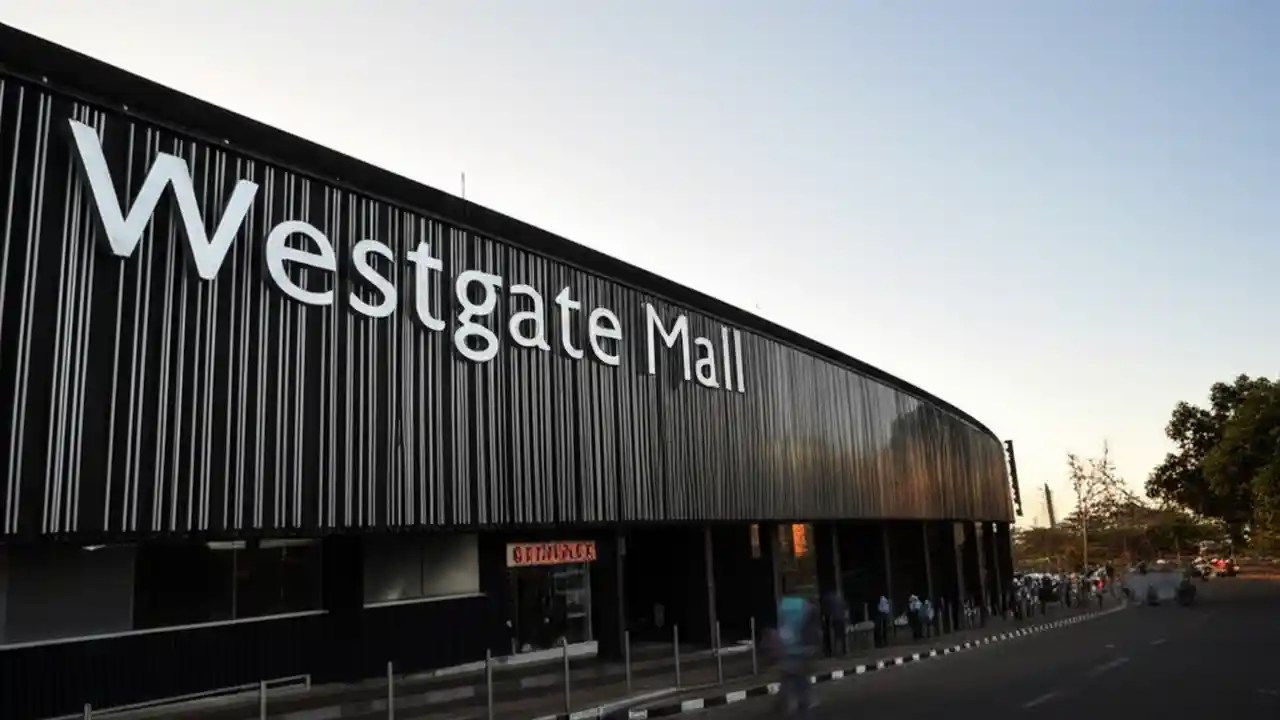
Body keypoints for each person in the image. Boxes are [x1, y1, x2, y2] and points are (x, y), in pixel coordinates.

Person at [775, 595, 820, 718]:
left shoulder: (784, 607)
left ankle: (786, 701)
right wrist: (812, 647)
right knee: (800, 678)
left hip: (786, 648)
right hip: (800, 650)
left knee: (788, 677)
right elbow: (810, 632)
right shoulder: (807, 610)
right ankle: (804, 702)